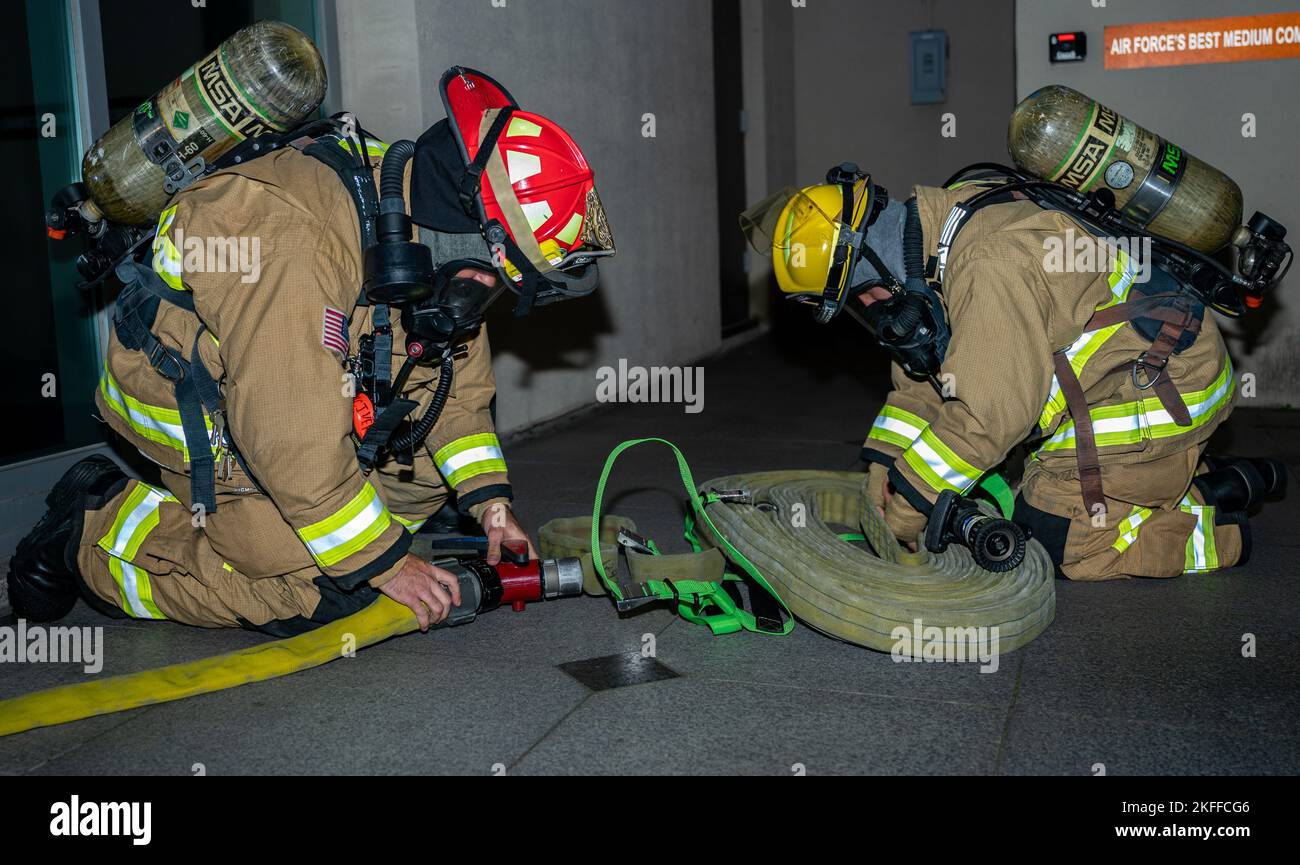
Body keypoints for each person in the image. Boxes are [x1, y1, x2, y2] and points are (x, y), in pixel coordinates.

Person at [9, 68, 614, 631]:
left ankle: (321, 530)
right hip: (196, 407)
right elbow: (286, 433)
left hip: (293, 381)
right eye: (495, 277)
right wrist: (382, 563)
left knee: (422, 475)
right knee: (312, 590)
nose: (490, 298)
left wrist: (490, 504)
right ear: (467, 236)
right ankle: (92, 530)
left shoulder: (407, 211)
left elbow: (451, 385)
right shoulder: (291, 243)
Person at [742, 164, 1284, 580]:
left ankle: (1215, 534)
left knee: (1054, 533)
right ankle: (1206, 483)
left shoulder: (988, 265)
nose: (871, 312)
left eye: (860, 297)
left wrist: (910, 502)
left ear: (873, 265)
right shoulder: (934, 238)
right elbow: (926, 379)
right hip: (1118, 376)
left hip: (1166, 389)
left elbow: (990, 416)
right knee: (1024, 483)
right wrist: (886, 465)